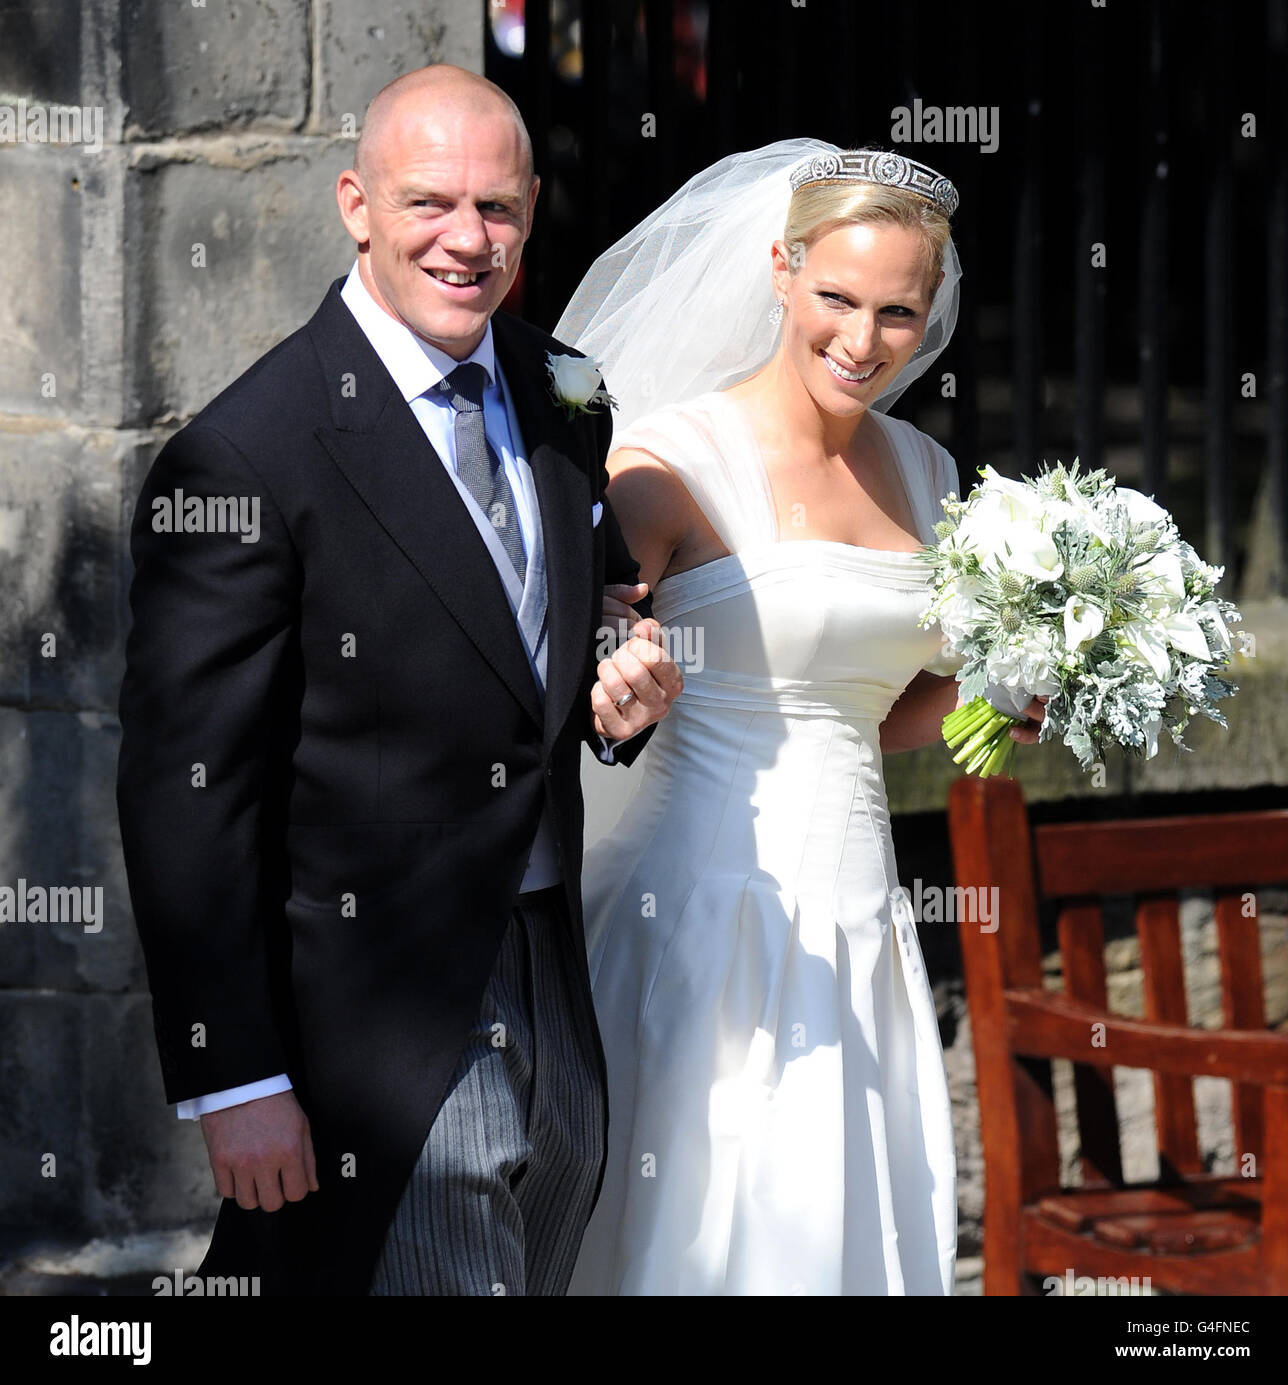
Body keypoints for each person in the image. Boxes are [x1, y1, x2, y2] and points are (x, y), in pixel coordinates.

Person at [115, 64, 681, 1297]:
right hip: (371, 1005)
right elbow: (184, 791)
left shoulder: (564, 387)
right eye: (431, 203)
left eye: (499, 210)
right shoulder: (245, 452)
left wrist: (614, 688)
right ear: (355, 203)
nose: (467, 241)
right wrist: (238, 1076)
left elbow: (574, 616)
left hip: (545, 962)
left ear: (532, 211)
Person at [556, 141, 1045, 1295]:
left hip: (859, 918)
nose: (861, 341)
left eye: (896, 312)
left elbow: (868, 714)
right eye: (836, 298)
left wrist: (1006, 689)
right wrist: (612, 657)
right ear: (779, 270)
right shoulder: (669, 461)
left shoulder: (928, 472)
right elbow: (575, 653)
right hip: (703, 916)